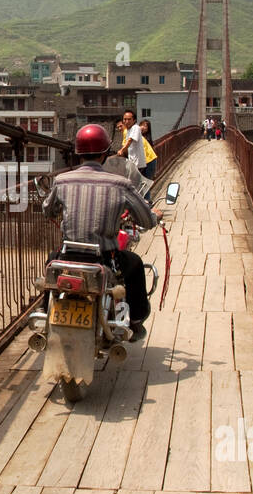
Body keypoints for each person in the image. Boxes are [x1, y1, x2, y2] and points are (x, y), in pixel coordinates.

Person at [43, 124, 163, 340]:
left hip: (68, 256)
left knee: (52, 260)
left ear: (78, 153)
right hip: (105, 259)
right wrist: (155, 215)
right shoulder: (120, 184)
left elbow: (48, 210)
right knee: (134, 263)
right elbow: (145, 219)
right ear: (106, 153)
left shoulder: (62, 181)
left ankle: (44, 311)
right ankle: (135, 320)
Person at [117, 110, 144, 175]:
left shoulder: (135, 127)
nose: (126, 121)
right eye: (125, 119)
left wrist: (121, 150)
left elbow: (130, 140)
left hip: (137, 163)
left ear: (134, 120)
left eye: (129, 119)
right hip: (133, 162)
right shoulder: (128, 130)